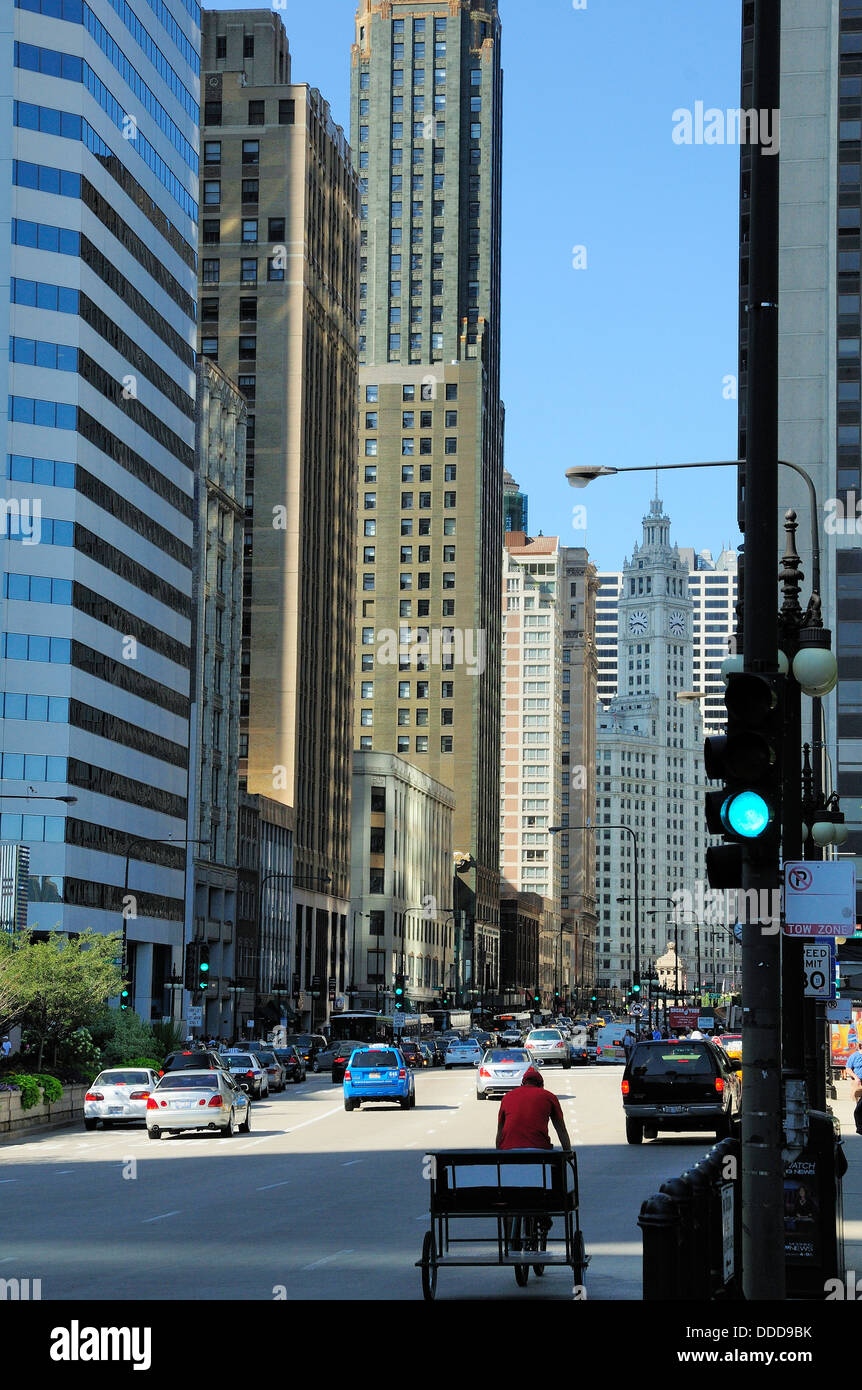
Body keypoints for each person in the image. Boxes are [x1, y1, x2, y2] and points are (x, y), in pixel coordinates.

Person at [495, 1067, 571, 1154]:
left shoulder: (507, 1097)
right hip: (540, 1149)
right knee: (557, 1164)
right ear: (541, 1085)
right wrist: (567, 1151)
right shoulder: (549, 1096)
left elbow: (500, 1129)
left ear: (522, 1084)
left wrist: (499, 1154)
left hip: (509, 1150)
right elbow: (561, 1129)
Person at [844, 1043, 862, 1135]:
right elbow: (848, 1069)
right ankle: (860, 1127)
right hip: (859, 1083)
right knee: (859, 1105)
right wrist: (856, 1077)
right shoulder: (854, 1056)